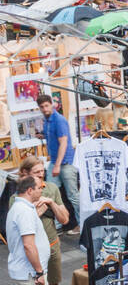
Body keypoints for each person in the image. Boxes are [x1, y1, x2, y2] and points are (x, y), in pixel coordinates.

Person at [19, 155, 72, 285]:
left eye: (43, 172)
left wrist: (51, 203)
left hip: (52, 244)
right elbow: (20, 226)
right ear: (25, 174)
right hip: (32, 250)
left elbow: (65, 220)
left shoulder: (51, 188)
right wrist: (36, 210)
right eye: (36, 173)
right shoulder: (17, 196)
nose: (41, 177)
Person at [36, 93, 78, 228]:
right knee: (49, 192)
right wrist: (41, 135)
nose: (45, 109)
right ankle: (56, 224)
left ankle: (82, 225)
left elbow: (64, 143)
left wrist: (57, 165)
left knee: (72, 196)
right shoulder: (47, 120)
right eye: (42, 107)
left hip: (65, 162)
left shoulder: (58, 120)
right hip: (55, 161)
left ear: (52, 105)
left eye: (46, 106)